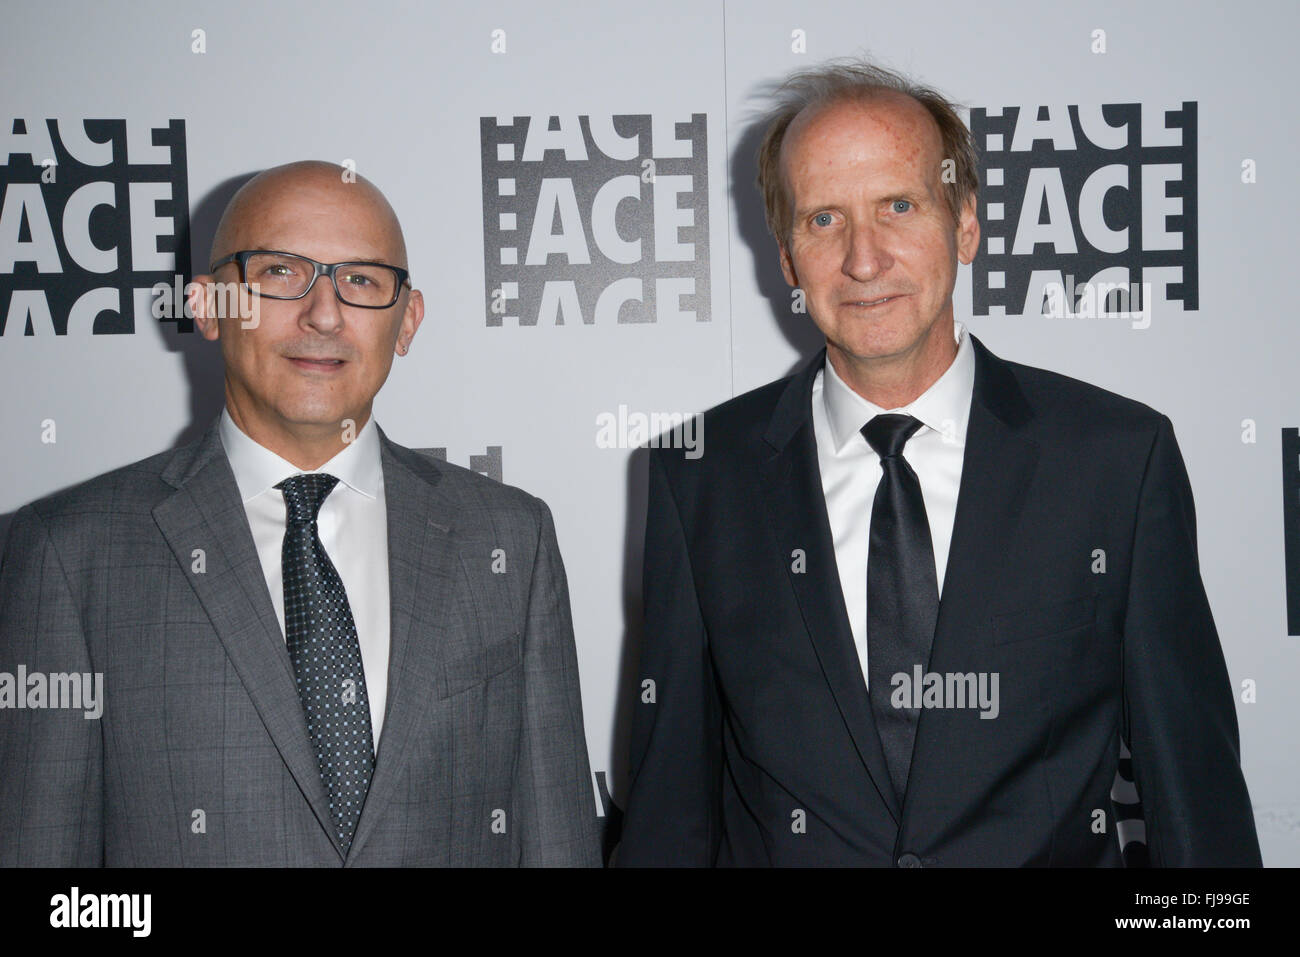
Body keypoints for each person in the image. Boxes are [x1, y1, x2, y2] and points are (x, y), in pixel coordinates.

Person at [617, 61, 1261, 866]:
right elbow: (668, 825)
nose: (863, 258)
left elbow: (1196, 813)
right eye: (823, 220)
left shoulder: (1114, 463)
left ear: (964, 223)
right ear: (785, 258)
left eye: (898, 205)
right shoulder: (700, 479)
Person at [0, 161, 601, 867]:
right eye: (281, 273)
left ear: (406, 322)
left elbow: (558, 842)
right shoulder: (70, 554)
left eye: (362, 280)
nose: (324, 313)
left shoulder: (510, 540)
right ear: (207, 305)